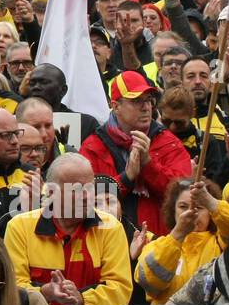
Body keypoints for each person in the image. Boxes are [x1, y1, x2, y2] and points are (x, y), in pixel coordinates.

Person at [3, 153, 133, 305]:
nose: (86, 197)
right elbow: (12, 288)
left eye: (90, 188)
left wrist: (81, 298)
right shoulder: (19, 227)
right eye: (76, 189)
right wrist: (46, 292)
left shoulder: (111, 227)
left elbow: (120, 289)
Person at [80, 71, 191, 237]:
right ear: (115, 106)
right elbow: (86, 199)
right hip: (107, 242)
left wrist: (149, 164)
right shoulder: (93, 146)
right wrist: (127, 178)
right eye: (136, 101)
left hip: (158, 245)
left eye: (148, 100)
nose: (146, 107)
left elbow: (182, 194)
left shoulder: (168, 142)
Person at [134, 179, 226, 305]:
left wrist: (213, 203)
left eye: (199, 207)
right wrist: (177, 235)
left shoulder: (221, 242)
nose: (191, 212)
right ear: (173, 210)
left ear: (210, 212)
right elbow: (150, 283)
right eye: (183, 206)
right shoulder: (155, 245)